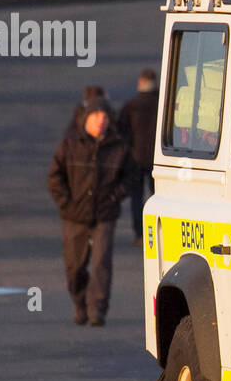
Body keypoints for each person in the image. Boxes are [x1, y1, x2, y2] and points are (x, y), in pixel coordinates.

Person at [47, 96, 139, 326]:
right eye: (96, 116)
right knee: (74, 265)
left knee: (101, 263)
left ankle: (97, 309)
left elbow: (132, 177)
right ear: (86, 118)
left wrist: (115, 196)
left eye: (105, 116)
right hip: (73, 216)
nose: (101, 121)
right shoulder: (69, 144)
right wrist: (66, 202)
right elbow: (54, 177)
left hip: (104, 215)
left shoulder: (119, 148)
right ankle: (79, 303)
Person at [118, 69, 159, 245]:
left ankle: (140, 234)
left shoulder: (131, 105)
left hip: (136, 158)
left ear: (140, 83)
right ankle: (159, 232)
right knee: (157, 195)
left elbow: (121, 130)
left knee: (137, 197)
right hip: (157, 159)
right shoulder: (162, 103)